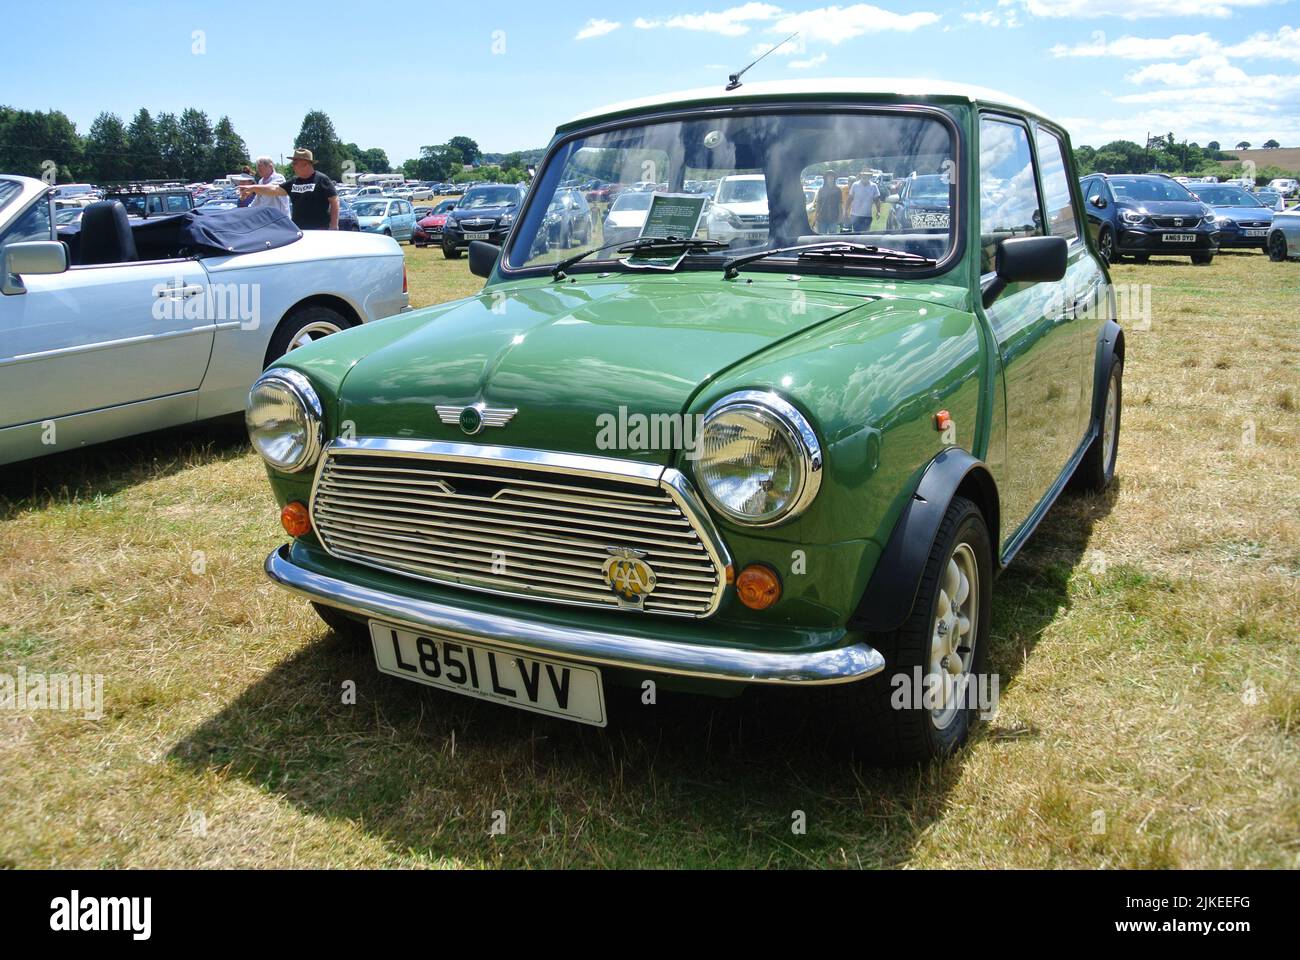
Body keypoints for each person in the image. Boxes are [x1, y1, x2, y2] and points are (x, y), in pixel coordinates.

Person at [238, 148, 338, 230]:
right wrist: (252, 188)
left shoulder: (321, 179)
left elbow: (334, 201)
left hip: (320, 230)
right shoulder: (294, 181)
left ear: (306, 164)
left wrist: (334, 226)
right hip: (298, 230)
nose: (292, 165)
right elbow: (274, 189)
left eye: (295, 163)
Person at [813, 169, 843, 235]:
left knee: (833, 237)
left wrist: (840, 216)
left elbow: (840, 204)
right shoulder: (821, 190)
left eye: (832, 177)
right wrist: (815, 216)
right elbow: (818, 203)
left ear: (834, 179)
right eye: (829, 177)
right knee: (822, 237)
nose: (830, 178)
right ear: (826, 178)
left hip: (833, 218)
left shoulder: (838, 190)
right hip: (822, 218)